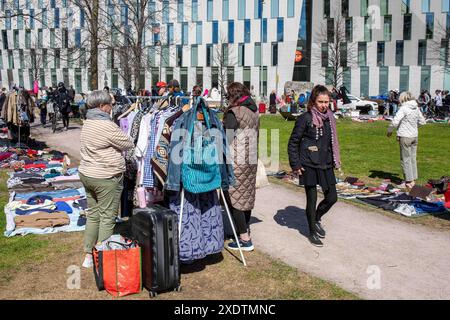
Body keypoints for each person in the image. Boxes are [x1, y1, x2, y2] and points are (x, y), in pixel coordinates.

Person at [79, 90, 134, 268]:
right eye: (110, 104)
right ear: (103, 106)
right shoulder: (106, 125)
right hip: (105, 176)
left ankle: (88, 255)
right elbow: (128, 143)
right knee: (107, 217)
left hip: (88, 174)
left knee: (93, 215)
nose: (112, 107)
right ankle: (103, 259)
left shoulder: (87, 122)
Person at [288, 85, 341, 247]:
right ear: (313, 101)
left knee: (332, 197)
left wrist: (335, 159)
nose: (324, 105)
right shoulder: (305, 118)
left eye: (327, 102)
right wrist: (295, 164)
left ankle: (317, 218)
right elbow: (293, 142)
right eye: (321, 102)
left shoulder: (329, 117)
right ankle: (311, 231)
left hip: (325, 163)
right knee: (311, 199)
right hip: (308, 164)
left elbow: (332, 142)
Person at [223, 82, 260, 252]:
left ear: (232, 96)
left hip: (237, 159)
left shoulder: (235, 112)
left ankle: (244, 239)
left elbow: (226, 138)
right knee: (246, 196)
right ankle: (245, 232)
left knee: (235, 199)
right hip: (250, 159)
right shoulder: (253, 112)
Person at [387, 92, 426, 190]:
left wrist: (389, 131)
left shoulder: (403, 108)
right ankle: (413, 180)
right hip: (414, 136)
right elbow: (423, 122)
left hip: (405, 136)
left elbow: (395, 121)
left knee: (405, 159)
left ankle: (408, 181)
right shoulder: (416, 108)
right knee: (412, 158)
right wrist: (413, 127)